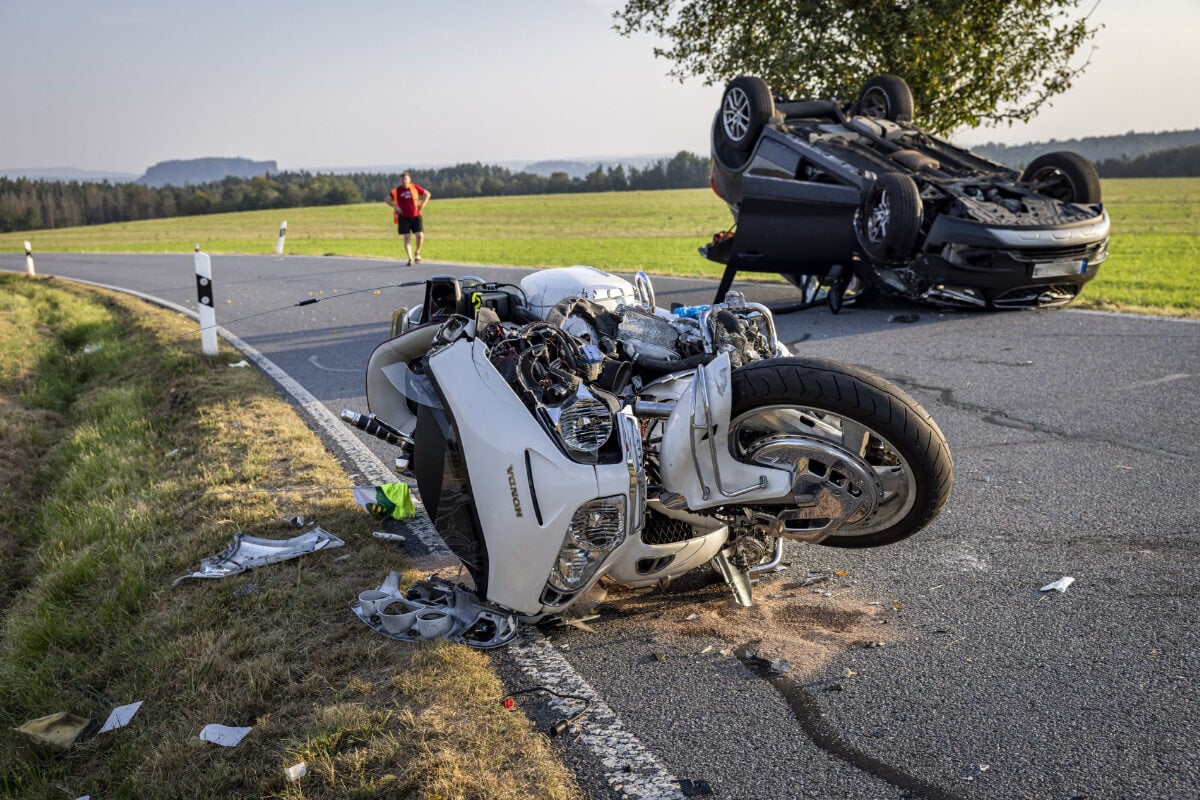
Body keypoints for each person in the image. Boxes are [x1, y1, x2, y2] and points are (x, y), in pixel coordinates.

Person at [387, 172, 431, 265]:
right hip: (403, 217)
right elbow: (387, 199)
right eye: (402, 179)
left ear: (409, 180)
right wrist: (395, 207)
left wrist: (422, 205)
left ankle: (417, 252)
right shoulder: (397, 191)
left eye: (406, 179)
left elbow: (427, 194)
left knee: (420, 235)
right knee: (407, 237)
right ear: (400, 180)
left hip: (416, 215)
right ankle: (410, 258)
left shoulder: (414, 187)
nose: (404, 181)